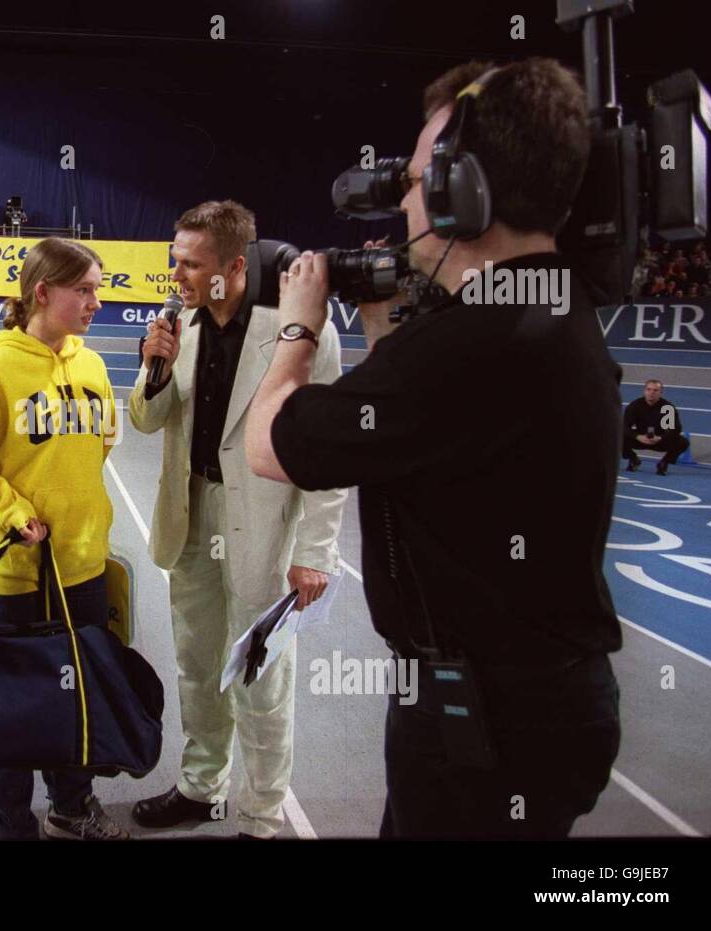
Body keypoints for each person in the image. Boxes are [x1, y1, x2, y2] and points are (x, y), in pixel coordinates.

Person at [245, 58, 623, 838]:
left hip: (481, 719)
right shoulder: (548, 301)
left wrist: (297, 324)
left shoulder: (475, 341)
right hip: (536, 703)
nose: (404, 199)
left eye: (416, 180)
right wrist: (385, 325)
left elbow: (272, 442)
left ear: (464, 189)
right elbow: (414, 431)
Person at [128, 201, 347, 839]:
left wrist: (315, 551)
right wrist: (155, 364)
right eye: (174, 259)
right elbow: (145, 420)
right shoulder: (181, 324)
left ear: (233, 266)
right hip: (191, 512)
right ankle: (201, 787)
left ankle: (260, 815)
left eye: (189, 263)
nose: (176, 273)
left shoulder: (301, 330)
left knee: (260, 676)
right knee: (197, 666)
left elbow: (327, 452)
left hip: (265, 527)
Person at [0, 237, 127, 841]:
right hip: (16, 578)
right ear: (43, 292)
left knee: (75, 700)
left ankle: (71, 805)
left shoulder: (91, 365)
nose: (96, 301)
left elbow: (102, 438)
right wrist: (10, 509)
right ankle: (14, 824)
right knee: (9, 712)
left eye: (98, 288)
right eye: (84, 289)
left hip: (83, 571)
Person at [624, 379, 689, 475]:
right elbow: (624, 426)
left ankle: (664, 463)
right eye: (649, 389)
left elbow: (675, 429)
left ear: (660, 392)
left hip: (660, 440)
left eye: (655, 390)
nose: (651, 393)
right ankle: (633, 459)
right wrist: (638, 437)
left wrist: (660, 438)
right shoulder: (635, 406)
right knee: (615, 438)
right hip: (640, 438)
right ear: (644, 391)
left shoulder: (667, 408)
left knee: (682, 442)